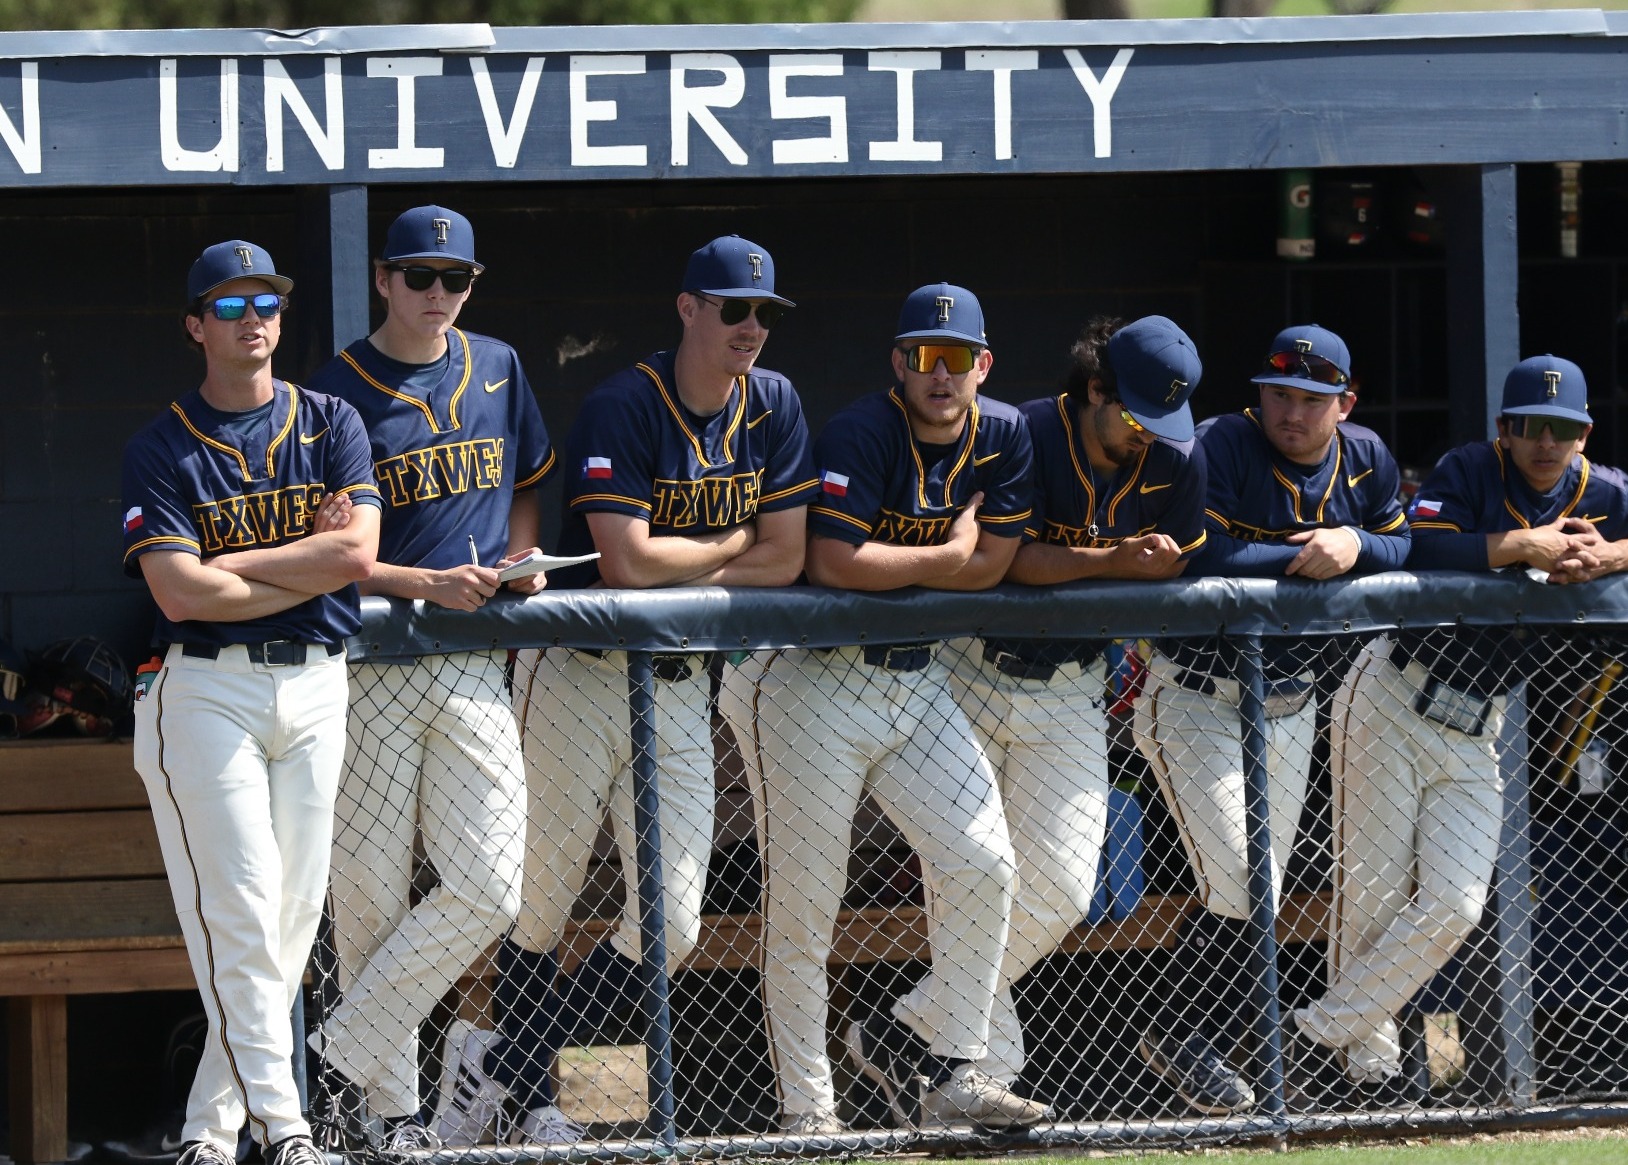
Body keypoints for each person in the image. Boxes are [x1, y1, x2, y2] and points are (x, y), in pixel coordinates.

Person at [435, 235, 816, 1144]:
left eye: (765, 312)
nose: (752, 327)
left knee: (672, 924)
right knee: (544, 902)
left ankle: (497, 1065)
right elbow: (629, 562)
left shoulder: (777, 403)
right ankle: (546, 1110)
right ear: (688, 308)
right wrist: (734, 544)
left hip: (684, 685)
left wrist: (700, 560)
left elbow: (793, 553)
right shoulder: (623, 403)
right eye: (734, 308)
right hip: (581, 674)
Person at [1292, 355, 1628, 1107]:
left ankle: (1310, 1039)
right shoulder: (1470, 466)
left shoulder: (1604, 490)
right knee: (1369, 897)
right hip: (1396, 693)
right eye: (1529, 426)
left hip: (1478, 727)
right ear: (1505, 429)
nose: (1544, 442)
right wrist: (1520, 545)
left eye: (1561, 430)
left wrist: (1614, 553)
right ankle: (1366, 1080)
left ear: (1584, 434)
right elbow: (1422, 544)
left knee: (1457, 905)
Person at [736, 282, 1049, 1133]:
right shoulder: (861, 430)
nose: (937, 374)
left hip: (916, 683)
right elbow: (835, 564)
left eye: (954, 359)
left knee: (986, 862)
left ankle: (954, 1069)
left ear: (983, 365)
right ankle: (809, 1109)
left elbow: (995, 569)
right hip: (812, 683)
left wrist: (932, 562)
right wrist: (951, 550)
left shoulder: (1009, 432)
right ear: (898, 365)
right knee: (807, 902)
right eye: (921, 357)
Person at [122, 240, 380, 1165]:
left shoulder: (332, 421)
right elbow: (179, 597)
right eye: (229, 306)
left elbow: (354, 556)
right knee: (240, 914)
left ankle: (206, 1131)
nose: (253, 319)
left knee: (289, 921)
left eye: (265, 301)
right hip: (206, 689)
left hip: (315, 682)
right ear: (196, 327)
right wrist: (293, 569)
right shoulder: (161, 444)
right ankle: (288, 1127)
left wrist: (230, 565)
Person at [905, 314, 1207, 1101]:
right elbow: (1011, 559)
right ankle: (971, 1082)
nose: (1152, 435)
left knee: (1066, 890)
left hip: (1074, 683)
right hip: (973, 670)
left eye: (1164, 418)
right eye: (1137, 414)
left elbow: (1187, 564)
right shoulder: (1027, 431)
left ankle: (911, 1029)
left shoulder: (1175, 457)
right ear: (1096, 389)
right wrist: (1114, 562)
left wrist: (1151, 570)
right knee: (976, 880)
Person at [304, 205, 556, 1149]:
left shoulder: (497, 362)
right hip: (372, 661)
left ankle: (335, 1056)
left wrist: (520, 557)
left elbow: (531, 475)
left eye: (455, 279)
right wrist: (429, 582)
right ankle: (391, 1117)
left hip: (471, 660)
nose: (439, 295)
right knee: (368, 896)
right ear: (382, 279)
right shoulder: (333, 394)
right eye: (420, 277)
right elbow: (330, 549)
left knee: (492, 888)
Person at [1132, 324, 1409, 1115]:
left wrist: (1354, 539)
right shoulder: (1219, 444)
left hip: (1291, 706)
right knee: (1246, 879)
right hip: (1196, 692)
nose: (1292, 411)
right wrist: (1305, 557)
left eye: (1313, 399)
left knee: (1261, 888)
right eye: (1280, 394)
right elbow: (1201, 552)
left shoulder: (1367, 457)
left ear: (1344, 403)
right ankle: (1181, 1031)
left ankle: (1187, 1030)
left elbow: (1407, 541)